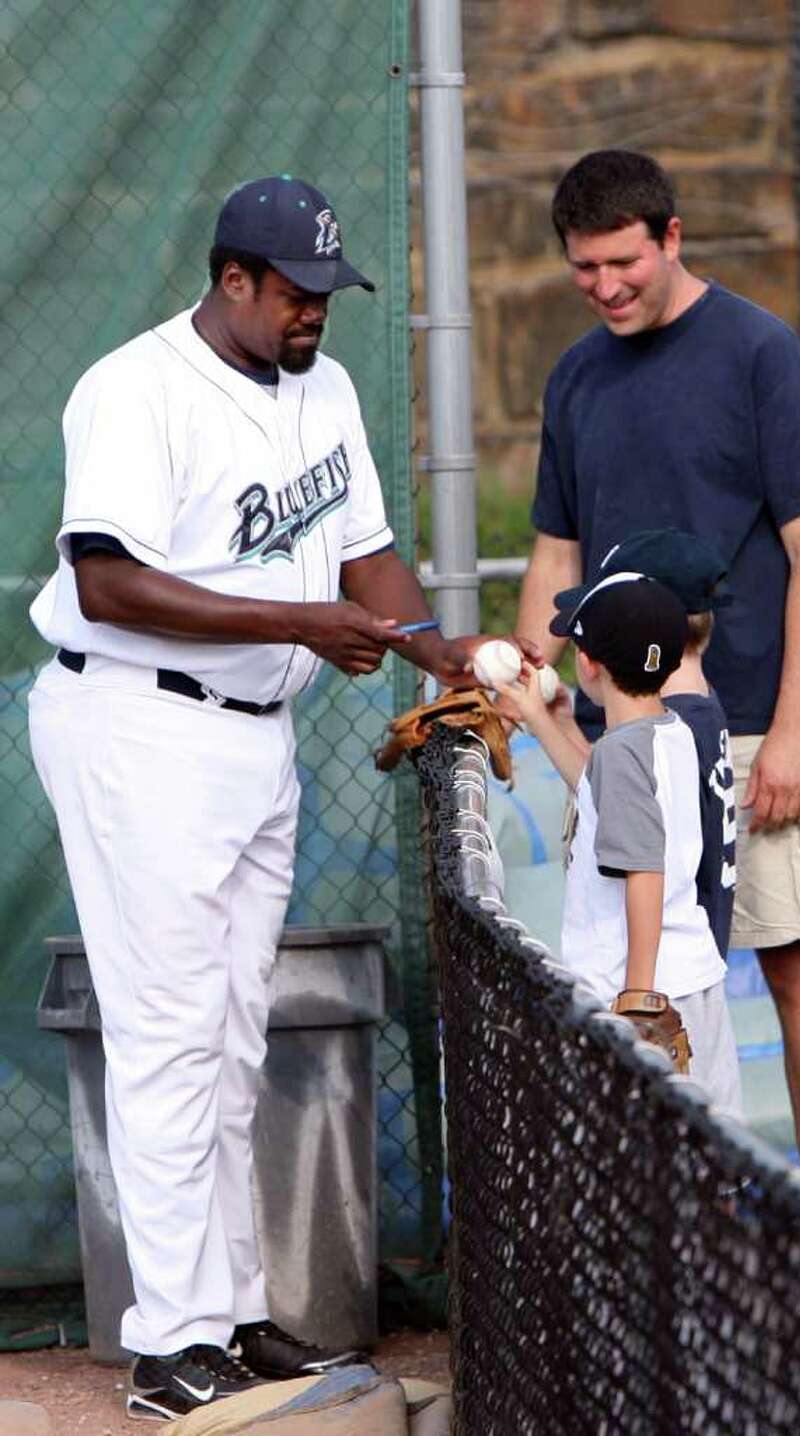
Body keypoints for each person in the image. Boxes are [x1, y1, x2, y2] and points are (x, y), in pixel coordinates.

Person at [27, 175, 513, 1421]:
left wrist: (439, 651)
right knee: (168, 1031)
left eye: (327, 294)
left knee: (235, 1029)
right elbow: (107, 585)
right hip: (140, 720)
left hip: (253, 731)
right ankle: (166, 1344)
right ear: (231, 278)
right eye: (295, 292)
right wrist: (302, 618)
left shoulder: (324, 388)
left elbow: (362, 551)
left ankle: (232, 1311)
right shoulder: (132, 390)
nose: (314, 314)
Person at [515, 149, 800, 1210]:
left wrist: (795, 728)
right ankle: (667, 1223)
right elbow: (554, 556)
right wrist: (531, 687)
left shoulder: (760, 352)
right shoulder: (575, 374)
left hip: (760, 717)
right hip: (625, 730)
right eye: (584, 268)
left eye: (623, 261)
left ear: (671, 236)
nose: (606, 285)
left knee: (793, 956)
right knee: (640, 977)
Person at [503, 571, 741, 1112]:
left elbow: (644, 873)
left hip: (641, 989)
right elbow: (597, 792)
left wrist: (637, 999)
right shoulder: (673, 728)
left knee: (643, 1164)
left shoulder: (620, 754)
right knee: (713, 1153)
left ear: (588, 664)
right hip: (694, 974)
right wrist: (543, 719)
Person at [540, 527, 737, 959]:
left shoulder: (674, 724)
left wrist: (540, 724)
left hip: (658, 970)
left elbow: (612, 794)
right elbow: (614, 786)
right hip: (688, 960)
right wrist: (566, 726)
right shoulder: (696, 707)